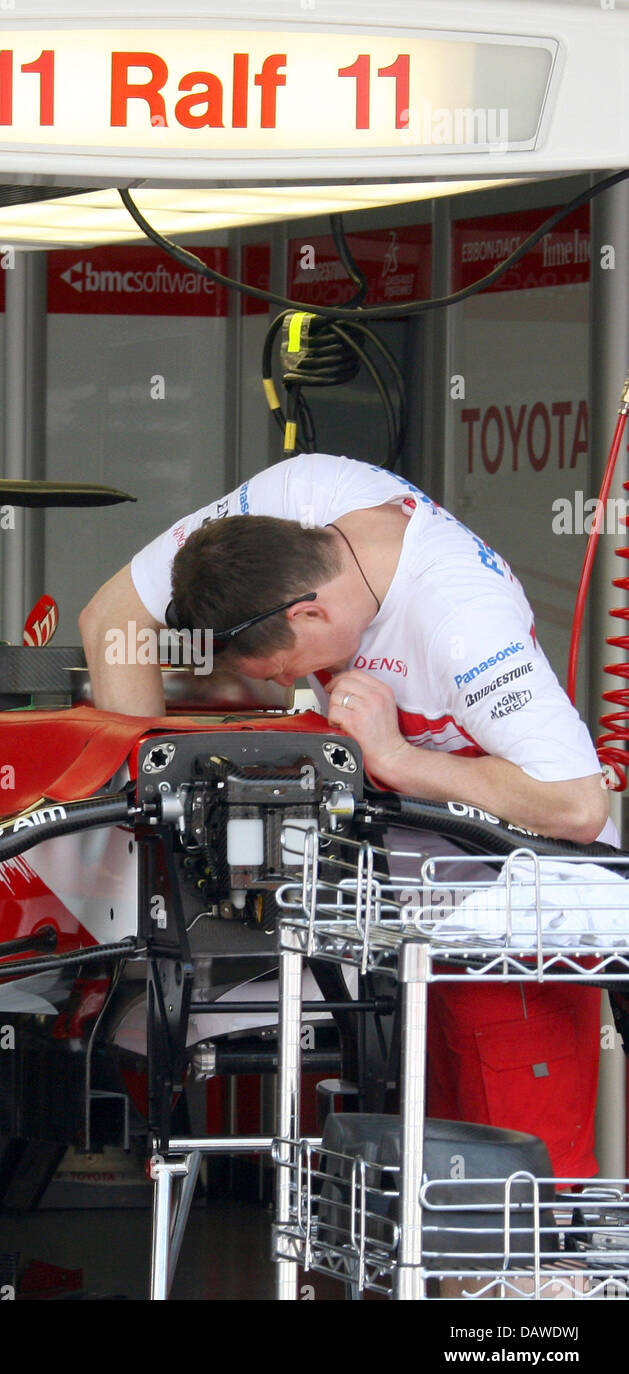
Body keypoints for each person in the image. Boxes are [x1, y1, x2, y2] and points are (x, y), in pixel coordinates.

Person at [80, 452, 611, 1178]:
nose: (296, 684)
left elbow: (578, 805)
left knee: (520, 1223)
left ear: (309, 610)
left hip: (518, 925)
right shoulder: (295, 499)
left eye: (287, 668)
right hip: (414, 925)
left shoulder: (462, 622)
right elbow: (112, 615)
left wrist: (397, 759)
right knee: (436, 1207)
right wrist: (157, 813)